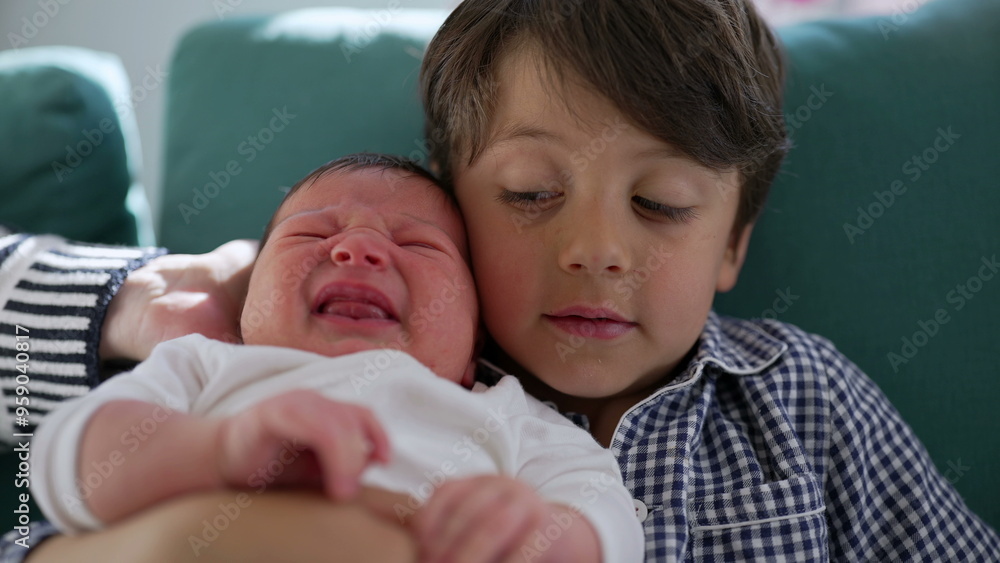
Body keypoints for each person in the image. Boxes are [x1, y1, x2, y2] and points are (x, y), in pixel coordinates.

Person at [3, 0, 999, 561]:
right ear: (460, 203)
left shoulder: (802, 398)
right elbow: (84, 484)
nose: (596, 249)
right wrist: (161, 310)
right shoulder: (324, 358)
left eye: (659, 204)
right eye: (529, 192)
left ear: (734, 244)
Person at [28, 153, 644, 563]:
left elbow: (605, 513)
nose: (357, 250)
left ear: (475, 341)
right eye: (312, 235)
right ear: (246, 306)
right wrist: (217, 452)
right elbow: (66, 459)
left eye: (416, 244)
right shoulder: (204, 366)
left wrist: (536, 533)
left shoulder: (508, 413)